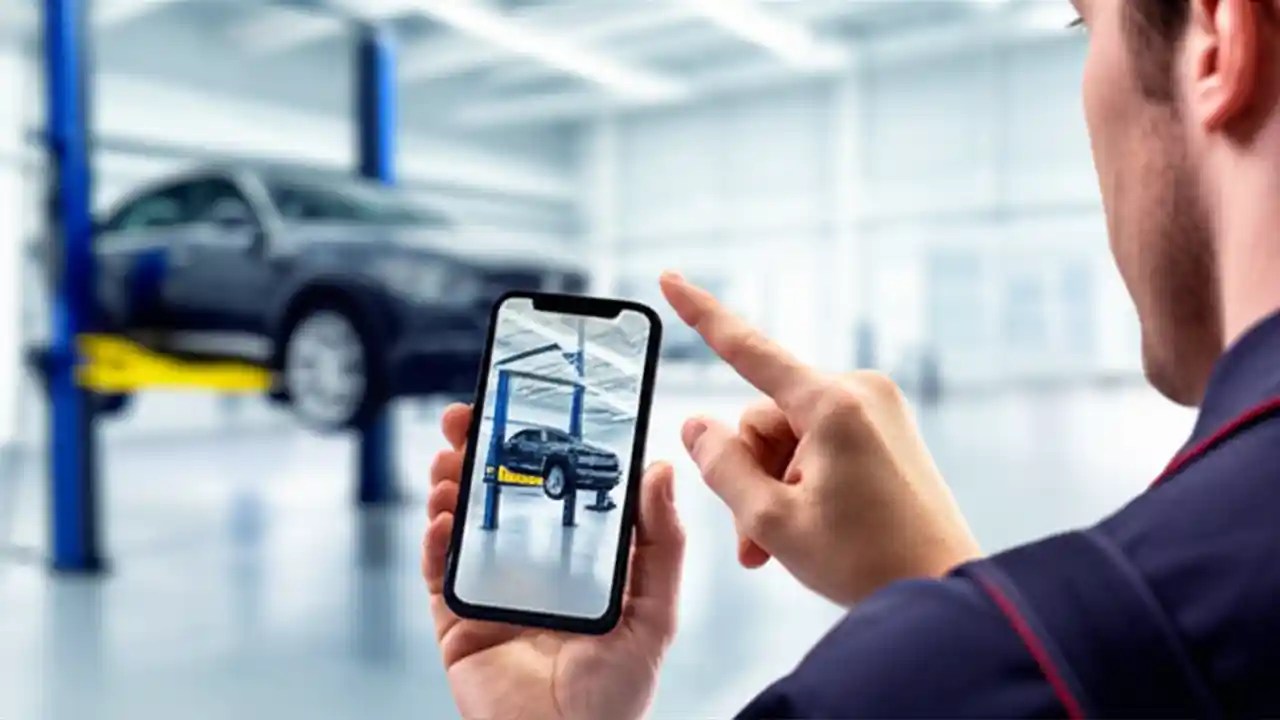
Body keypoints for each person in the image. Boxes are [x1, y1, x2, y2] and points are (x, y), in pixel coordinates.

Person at [421, 0, 1280, 715]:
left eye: (1082, 26)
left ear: (1218, 39)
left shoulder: (892, 693)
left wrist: (975, 625)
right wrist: (965, 596)